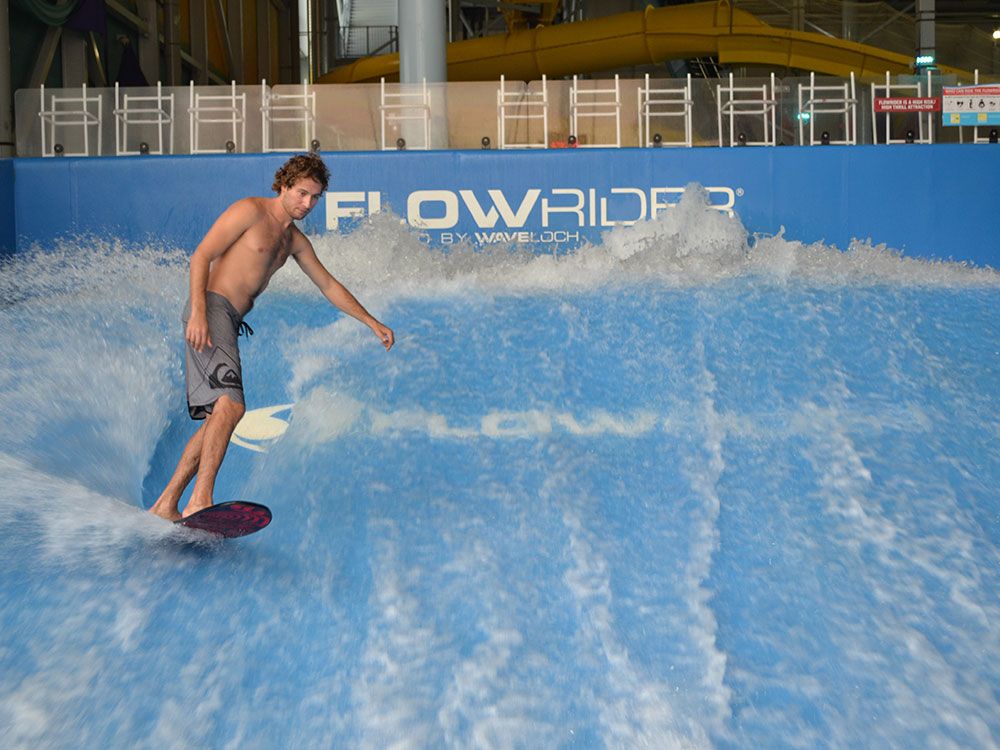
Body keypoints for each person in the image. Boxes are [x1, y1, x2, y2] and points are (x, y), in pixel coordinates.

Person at [149, 153, 393, 521]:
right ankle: (200, 500)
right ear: (283, 185)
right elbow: (201, 256)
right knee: (232, 407)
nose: (307, 203)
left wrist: (371, 322)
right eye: (301, 193)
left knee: (221, 413)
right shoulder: (250, 211)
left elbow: (328, 285)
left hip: (229, 319)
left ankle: (166, 504)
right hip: (212, 309)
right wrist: (198, 312)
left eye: (315, 197)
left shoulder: (293, 241)